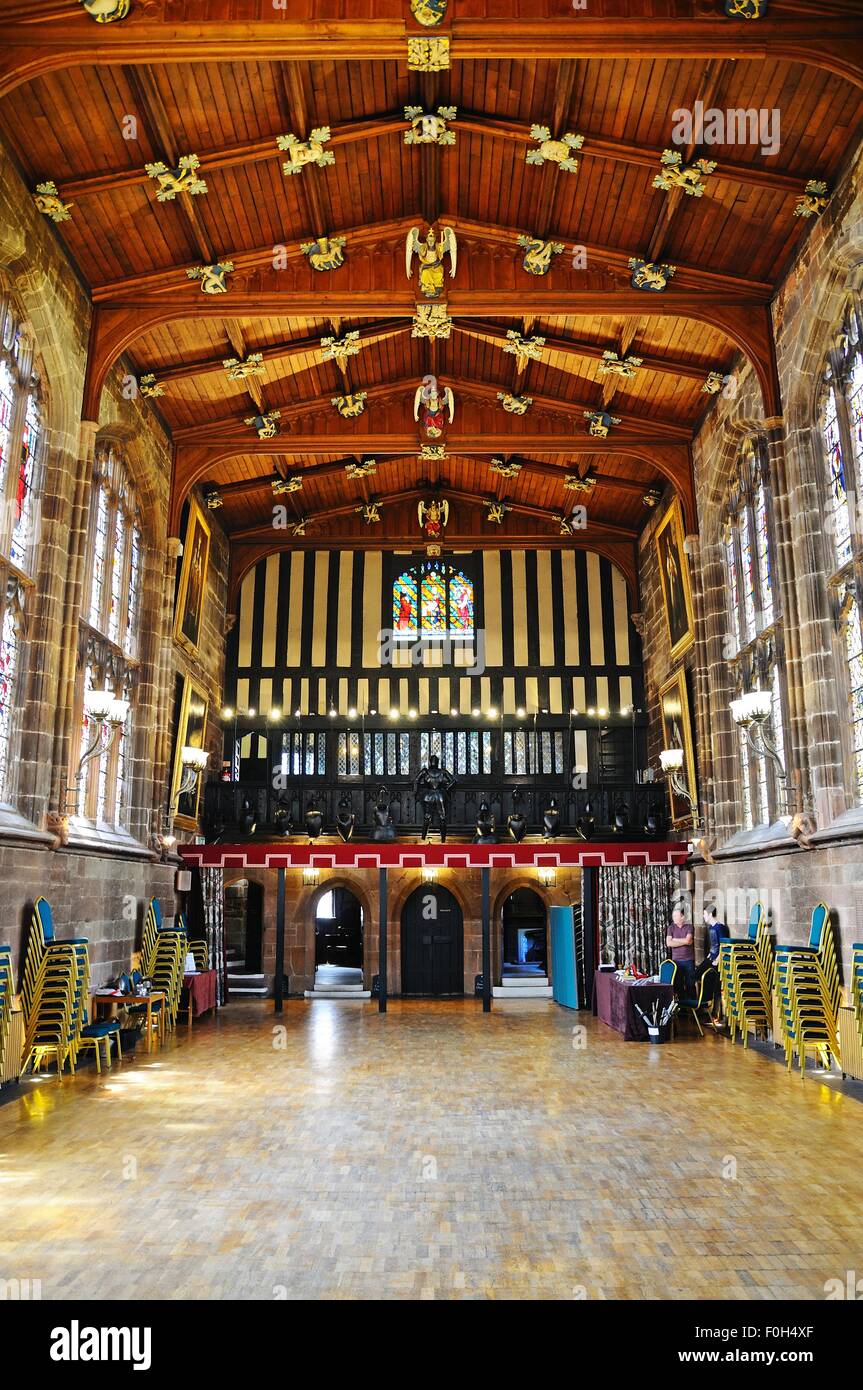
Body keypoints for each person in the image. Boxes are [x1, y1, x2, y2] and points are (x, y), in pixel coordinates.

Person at [694, 906, 728, 1026]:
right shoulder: (711, 927)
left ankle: (715, 1015)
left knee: (716, 988)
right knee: (695, 975)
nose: (703, 916)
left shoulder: (721, 928)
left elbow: (724, 946)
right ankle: (701, 1005)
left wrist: (717, 960)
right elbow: (714, 945)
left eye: (704, 914)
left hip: (718, 961)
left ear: (709, 914)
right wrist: (709, 956)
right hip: (711, 958)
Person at [666, 905, 695, 997]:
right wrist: (685, 941)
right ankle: (682, 1007)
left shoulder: (689, 927)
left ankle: (693, 1008)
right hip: (676, 961)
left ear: (682, 917)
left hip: (688, 960)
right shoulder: (671, 928)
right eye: (673, 916)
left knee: (690, 984)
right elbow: (669, 943)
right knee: (678, 985)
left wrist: (674, 939)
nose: (673, 918)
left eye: (676, 916)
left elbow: (688, 940)